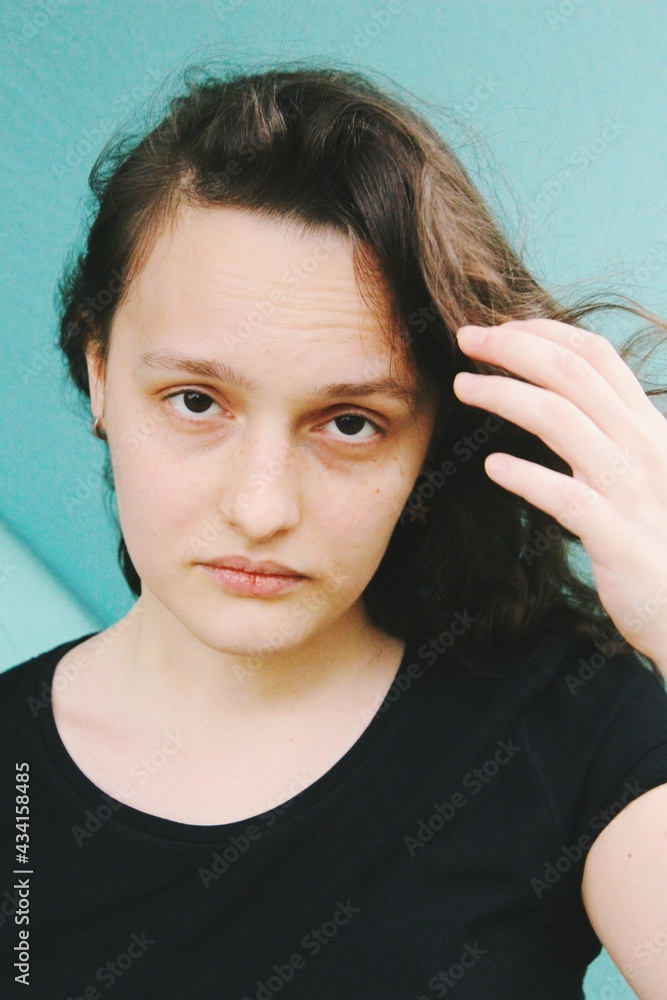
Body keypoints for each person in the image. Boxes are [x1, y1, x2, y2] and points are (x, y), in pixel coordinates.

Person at [2, 60, 667, 999]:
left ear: (433, 431)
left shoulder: (566, 723)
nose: (262, 508)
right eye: (196, 400)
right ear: (99, 370)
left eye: (350, 422)